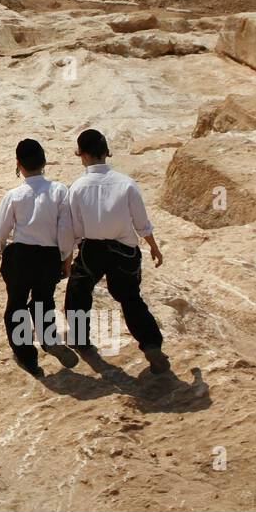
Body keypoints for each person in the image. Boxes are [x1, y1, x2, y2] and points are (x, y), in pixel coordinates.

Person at [64, 129, 171, 374]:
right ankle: (151, 345)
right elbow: (141, 222)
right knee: (130, 298)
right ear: (106, 153)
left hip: (92, 248)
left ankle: (80, 340)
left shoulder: (77, 187)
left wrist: (69, 257)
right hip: (124, 250)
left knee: (78, 292)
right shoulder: (126, 183)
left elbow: (75, 228)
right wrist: (153, 247)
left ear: (83, 155)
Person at [0, 138, 78, 376]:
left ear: (18, 164)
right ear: (44, 162)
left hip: (19, 256)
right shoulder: (60, 191)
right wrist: (65, 257)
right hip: (49, 257)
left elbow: (1, 229)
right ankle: (48, 338)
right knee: (43, 301)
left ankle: (27, 357)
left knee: (16, 305)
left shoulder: (14, 195)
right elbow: (65, 229)